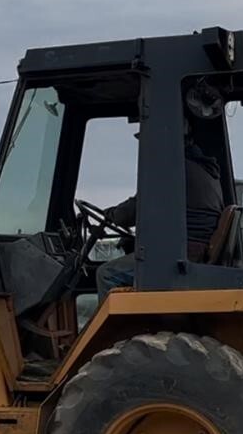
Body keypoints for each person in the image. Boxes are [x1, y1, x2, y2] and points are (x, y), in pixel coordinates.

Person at [95, 120, 226, 299]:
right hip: (189, 249)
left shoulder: (171, 168)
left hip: (176, 256)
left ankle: (118, 327)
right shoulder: (203, 168)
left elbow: (130, 212)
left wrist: (111, 214)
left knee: (106, 274)